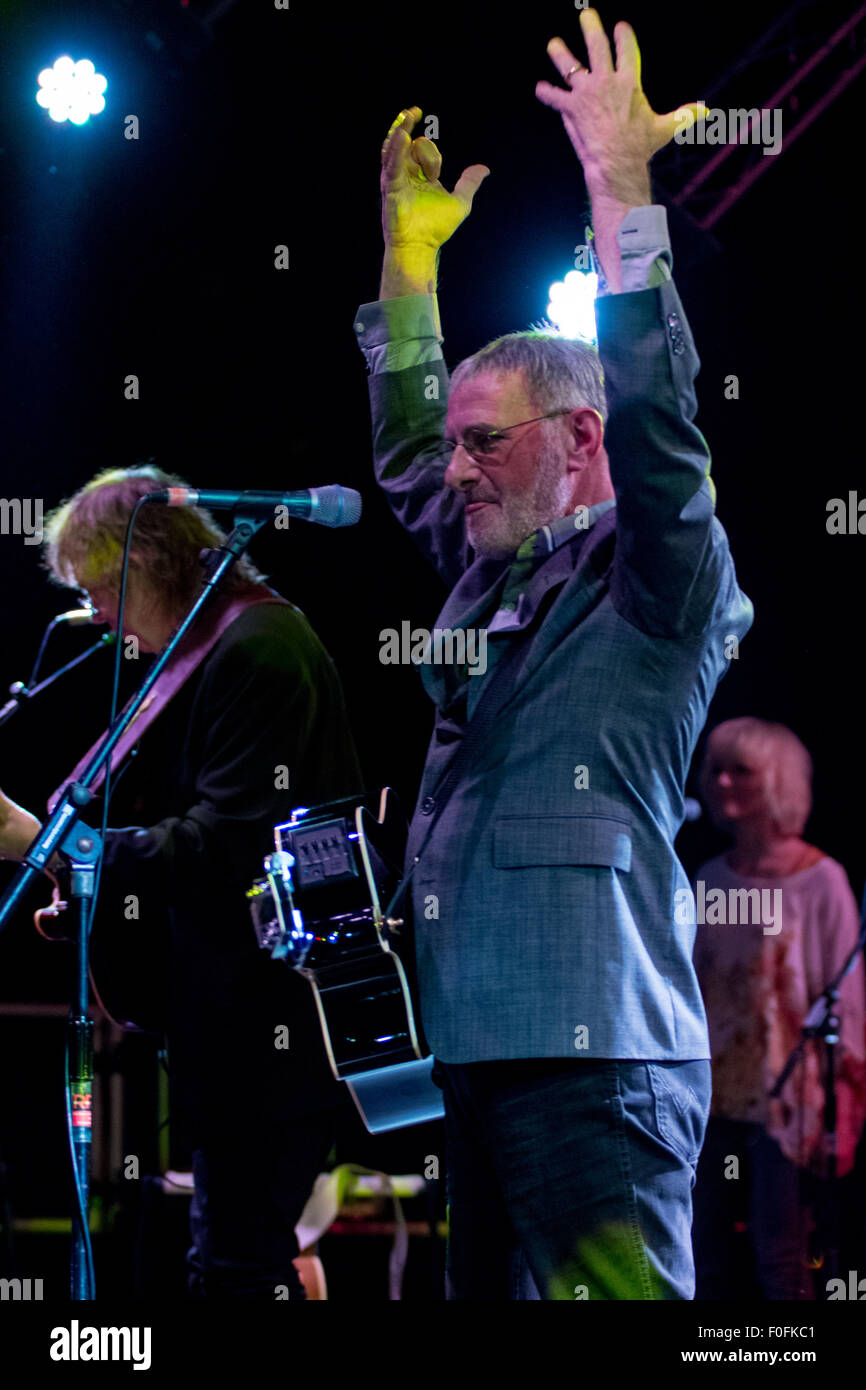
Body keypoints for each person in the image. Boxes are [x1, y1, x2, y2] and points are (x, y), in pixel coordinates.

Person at [353, 8, 752, 1300]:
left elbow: (664, 434)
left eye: (489, 441)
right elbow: (410, 460)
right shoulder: (494, 568)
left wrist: (620, 193)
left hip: (597, 1069)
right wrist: (407, 272)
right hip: (475, 1056)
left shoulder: (656, 579)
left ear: (578, 438)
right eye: (458, 442)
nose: (453, 469)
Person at [0, 464, 364, 1298]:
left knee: (237, 1271)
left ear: (146, 566)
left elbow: (219, 851)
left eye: (97, 590)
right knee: (220, 1263)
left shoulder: (262, 648)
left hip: (271, 1038)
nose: (92, 615)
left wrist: (38, 841)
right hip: (224, 1035)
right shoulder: (213, 652)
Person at [690, 717, 866, 1299]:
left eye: (742, 770)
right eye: (715, 769)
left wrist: (845, 1108)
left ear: (779, 782)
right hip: (709, 1102)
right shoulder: (709, 879)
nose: (722, 782)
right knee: (705, 1252)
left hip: (786, 1109)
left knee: (782, 1257)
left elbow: (849, 1011)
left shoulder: (821, 882)